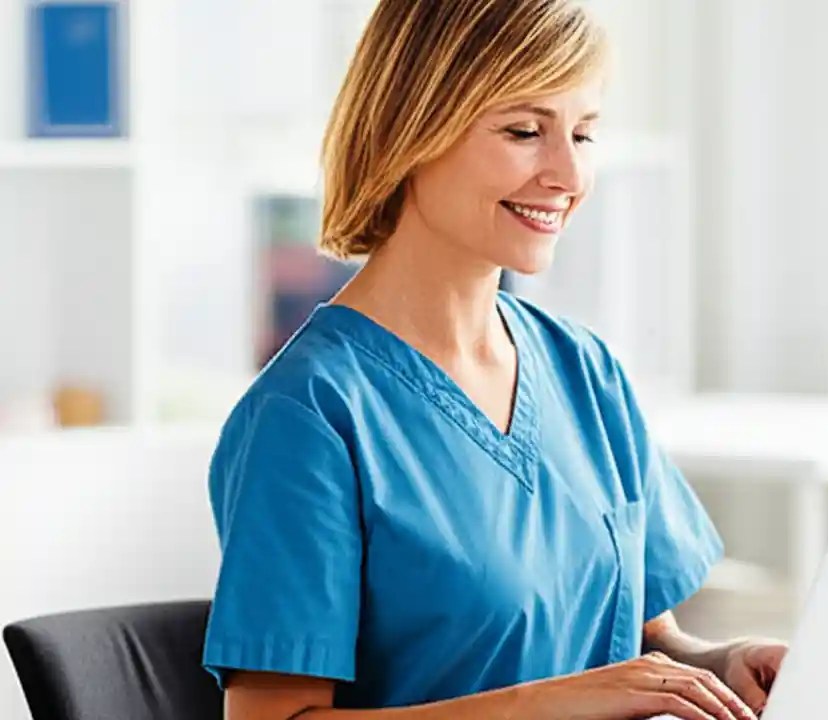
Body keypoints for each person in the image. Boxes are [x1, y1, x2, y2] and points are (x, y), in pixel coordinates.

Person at [202, 1, 788, 718]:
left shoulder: (585, 370)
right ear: (412, 130)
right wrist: (547, 705)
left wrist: (719, 664)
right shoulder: (308, 413)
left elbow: (643, 641)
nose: (568, 174)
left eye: (584, 133)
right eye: (524, 132)